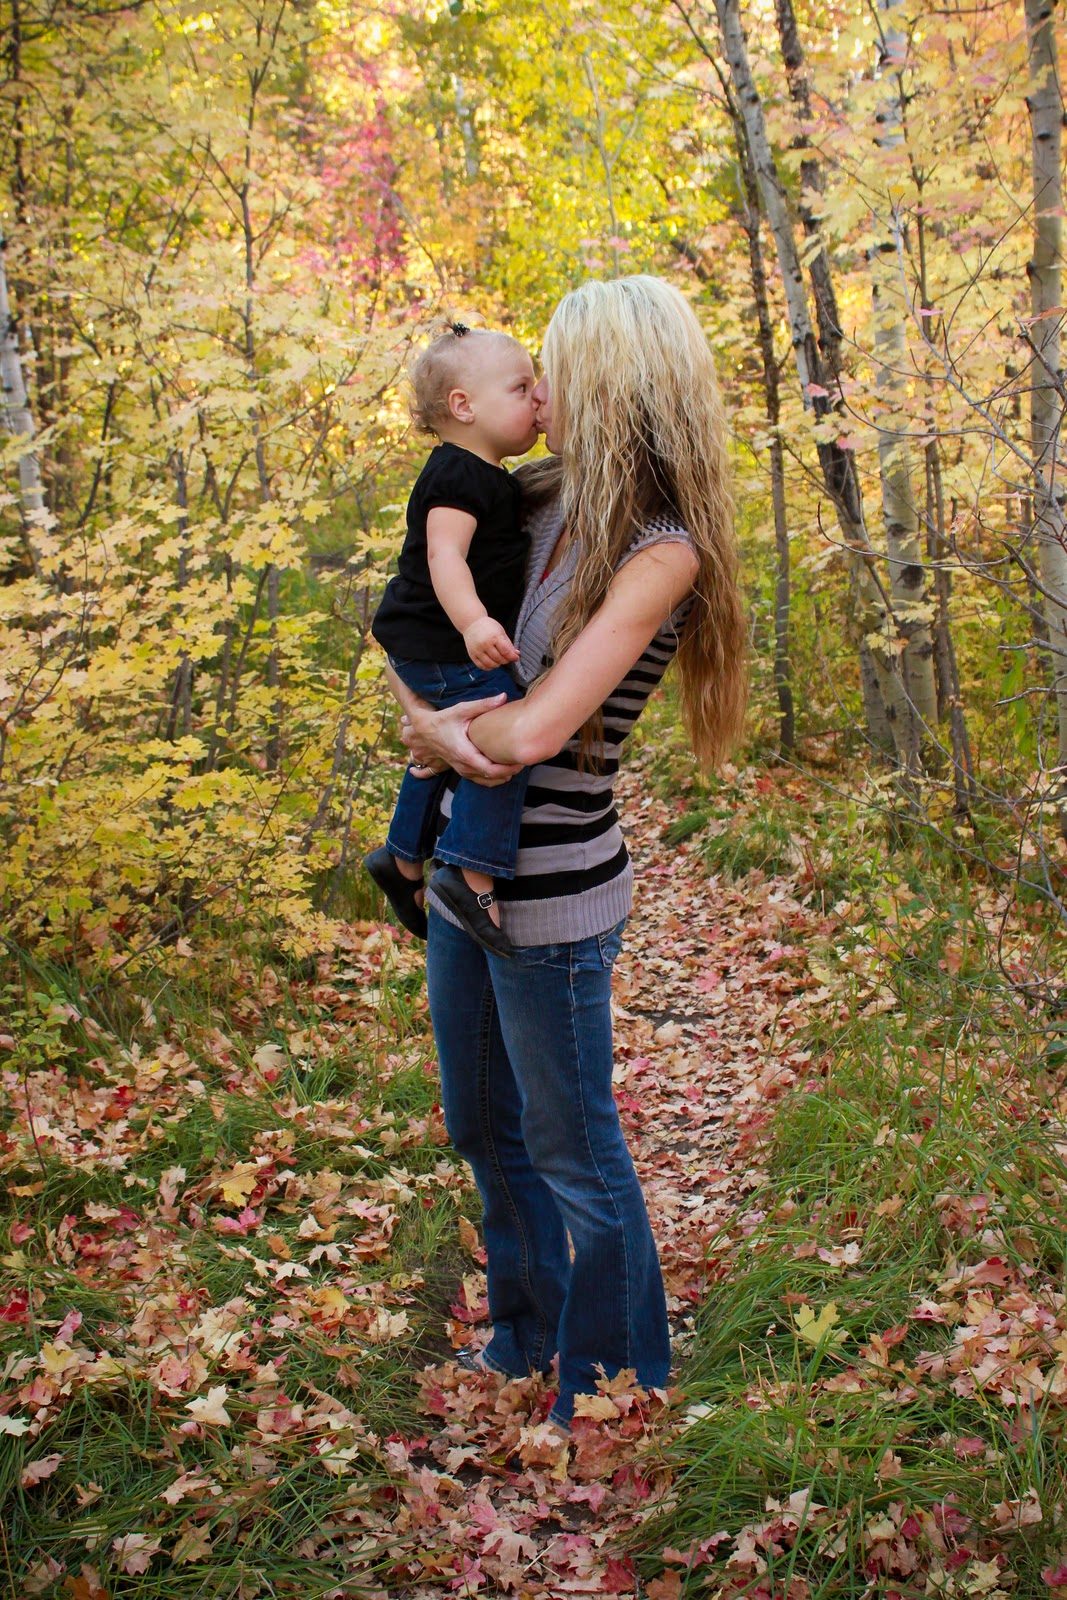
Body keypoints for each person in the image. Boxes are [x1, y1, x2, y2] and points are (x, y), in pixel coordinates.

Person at [385, 276, 747, 1429]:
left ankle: (613, 1376)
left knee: (573, 1145)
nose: (539, 389)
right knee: (481, 1125)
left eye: (558, 368)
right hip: (461, 874)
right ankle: (524, 1331)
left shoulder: (663, 551)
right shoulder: (523, 498)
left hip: (553, 892)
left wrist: (440, 732)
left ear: (615, 382)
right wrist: (429, 717)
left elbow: (535, 732)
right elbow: (404, 616)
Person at [365, 322, 539, 957]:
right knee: (505, 723)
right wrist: (473, 622)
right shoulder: (458, 475)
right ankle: (474, 878)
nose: (536, 398)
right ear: (464, 406)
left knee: (447, 735)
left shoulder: (486, 474)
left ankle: (402, 858)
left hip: (428, 639)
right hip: (438, 639)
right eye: (520, 387)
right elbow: (444, 558)